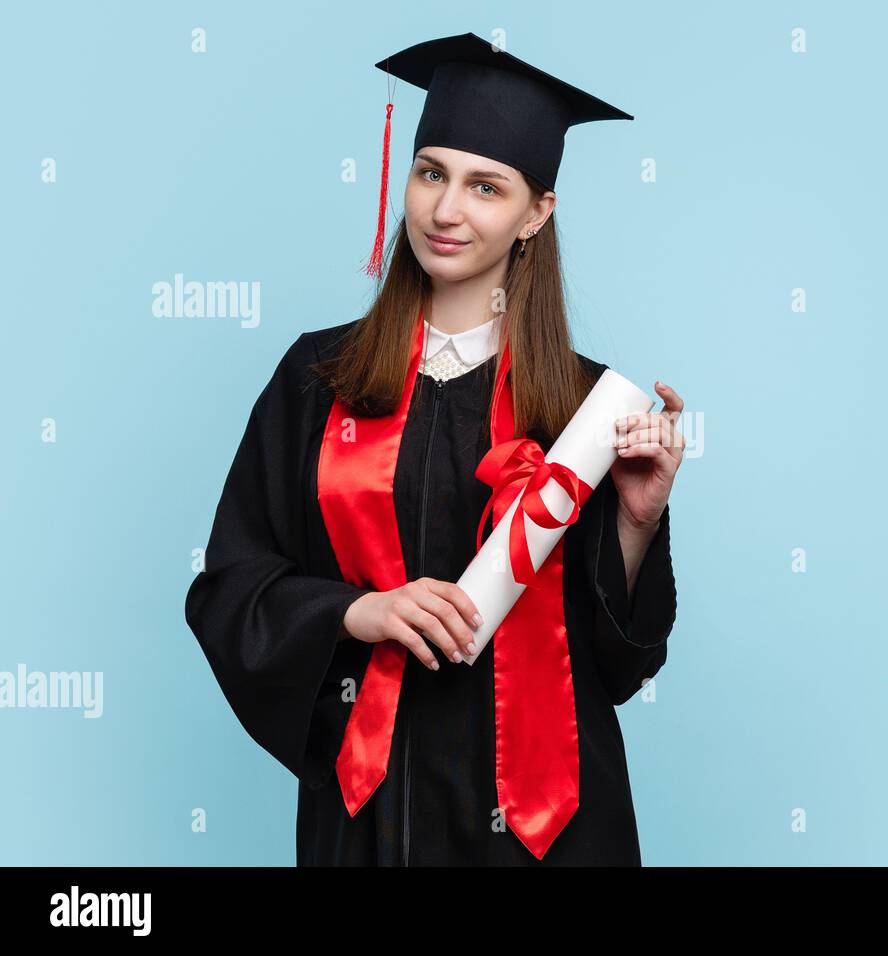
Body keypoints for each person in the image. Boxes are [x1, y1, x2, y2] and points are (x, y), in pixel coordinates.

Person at [184, 33, 685, 865]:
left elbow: (616, 669)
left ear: (536, 213)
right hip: (371, 812)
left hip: (549, 828)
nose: (446, 211)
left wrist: (636, 522)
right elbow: (231, 587)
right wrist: (357, 610)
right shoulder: (318, 379)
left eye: (486, 187)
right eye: (431, 173)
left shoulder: (588, 416)